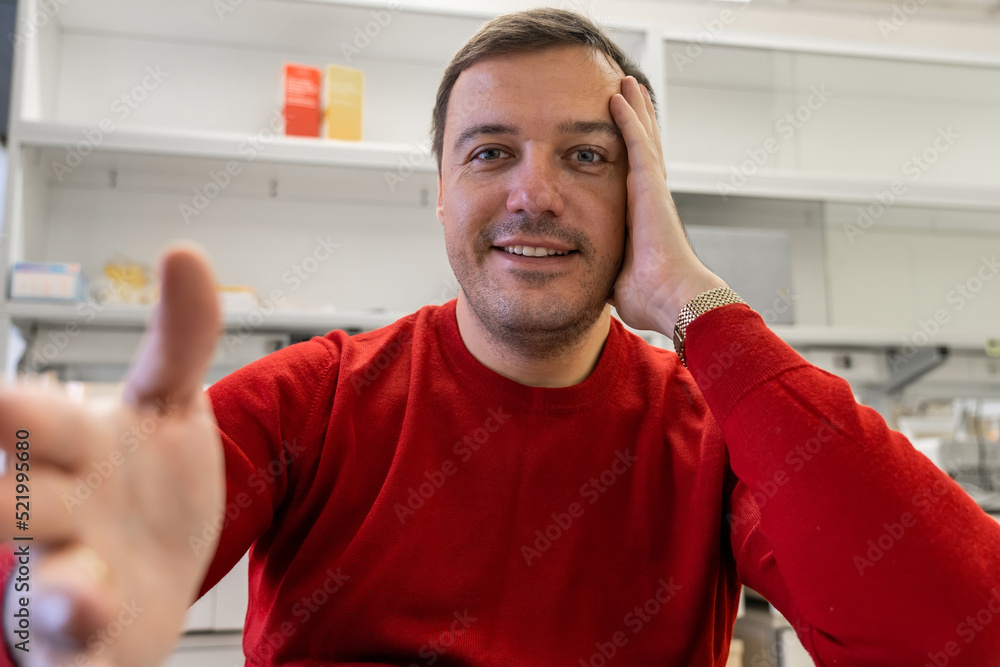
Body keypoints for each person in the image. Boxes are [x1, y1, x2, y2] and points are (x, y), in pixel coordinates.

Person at [2, 8, 999, 667]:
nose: (535, 191)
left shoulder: (716, 434)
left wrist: (695, 302)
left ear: (641, 195)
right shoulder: (310, 397)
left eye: (586, 154)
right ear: (440, 195)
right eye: (490, 152)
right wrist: (34, 579)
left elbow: (964, 633)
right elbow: (32, 610)